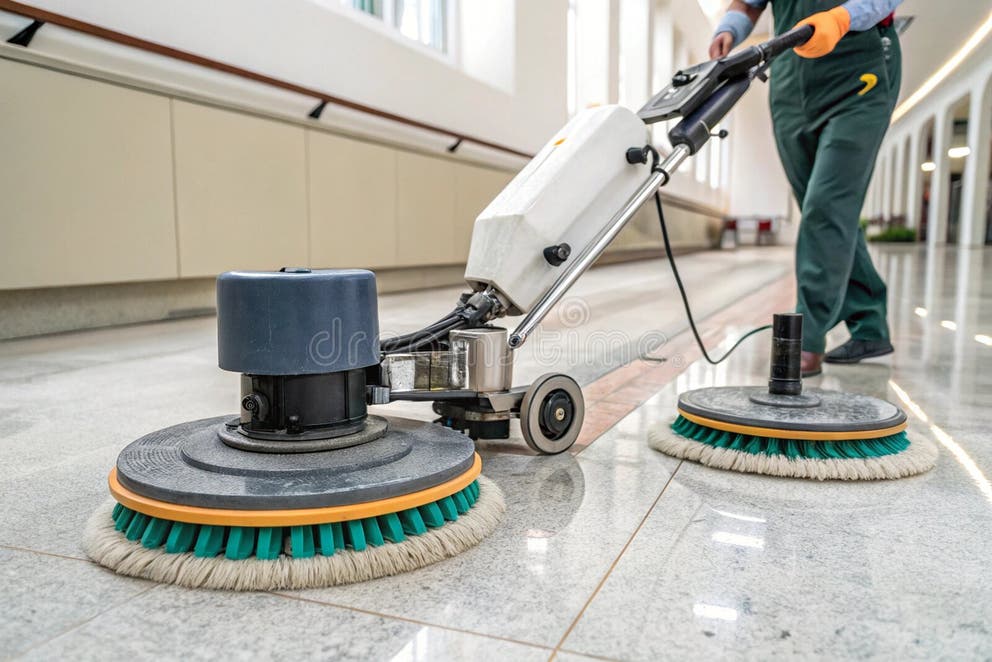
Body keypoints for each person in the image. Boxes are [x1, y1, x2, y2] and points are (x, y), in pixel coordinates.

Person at [710, 0, 902, 376]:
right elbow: (748, 4)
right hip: (790, 80)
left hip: (858, 73)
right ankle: (869, 323)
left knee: (827, 208)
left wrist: (844, 16)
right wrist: (728, 29)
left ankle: (805, 339)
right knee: (823, 209)